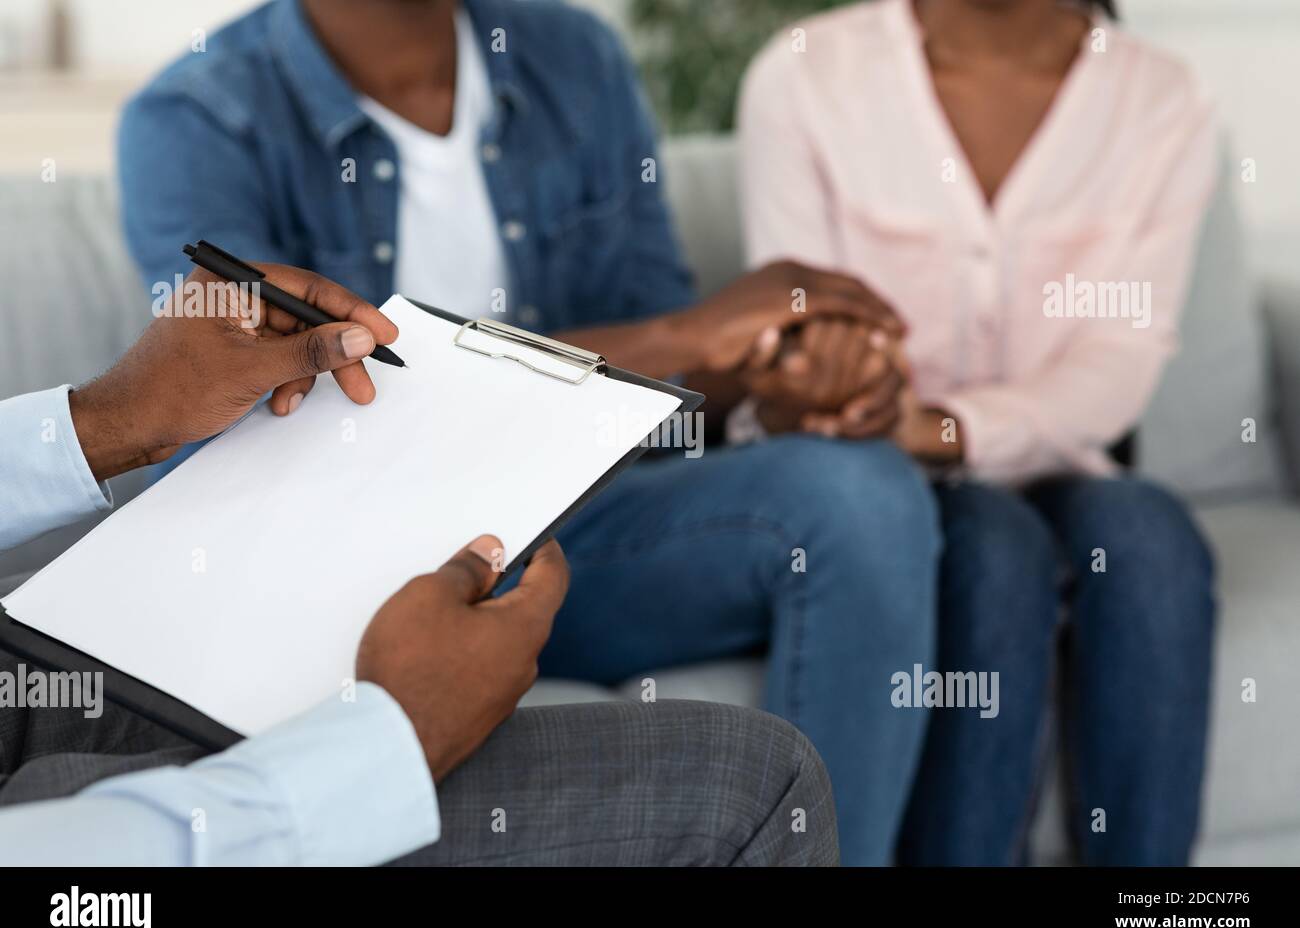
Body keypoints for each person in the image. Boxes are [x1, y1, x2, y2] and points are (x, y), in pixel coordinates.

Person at [116, 0, 941, 865]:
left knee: (861, 495)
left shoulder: (573, 57)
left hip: (567, 534)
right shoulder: (197, 119)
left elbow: (661, 372)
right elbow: (265, 415)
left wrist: (785, 367)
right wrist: (687, 336)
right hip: (350, 570)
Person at [0, 263, 838, 866]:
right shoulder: (203, 111)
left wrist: (105, 420)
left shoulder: (570, 63)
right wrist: (385, 747)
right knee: (753, 783)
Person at [738, 0, 1217, 865]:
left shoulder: (1162, 100)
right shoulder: (806, 72)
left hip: (1056, 455)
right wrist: (838, 387)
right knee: (995, 552)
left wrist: (952, 428)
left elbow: (1122, 354)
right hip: (883, 478)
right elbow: (795, 316)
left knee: (1154, 541)